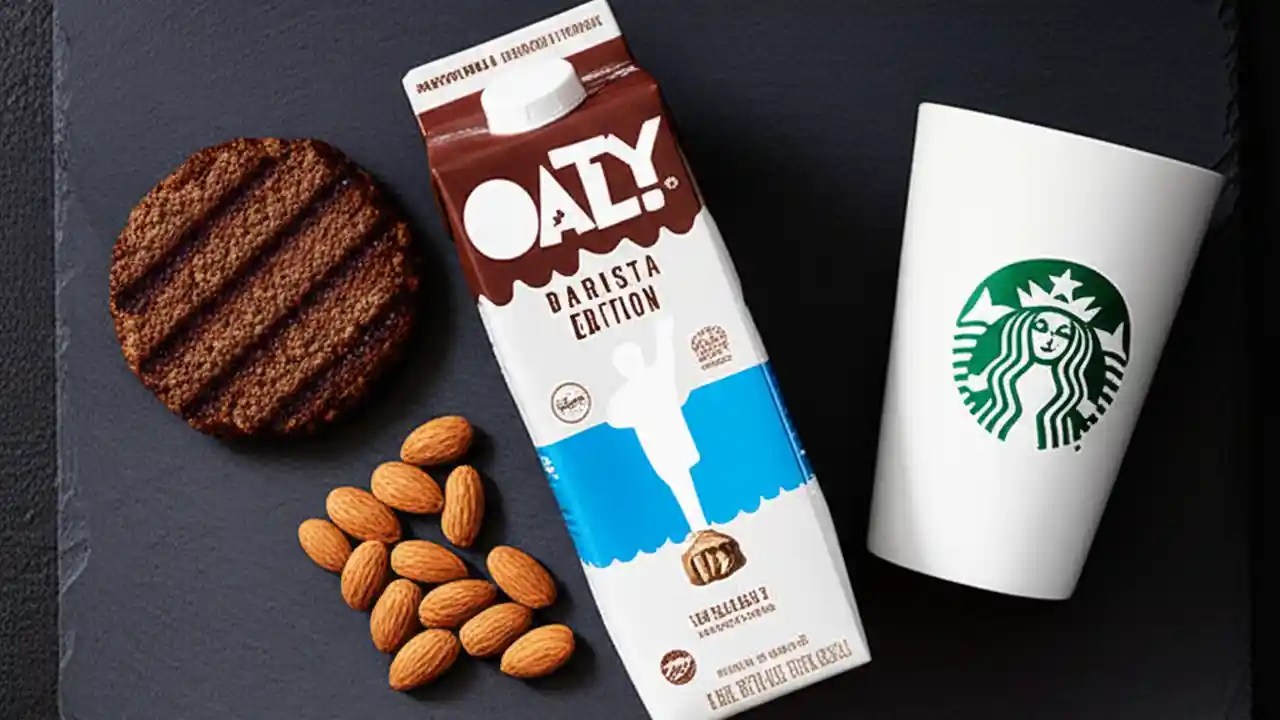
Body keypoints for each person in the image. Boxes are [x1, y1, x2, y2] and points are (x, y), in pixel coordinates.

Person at [606, 317, 706, 531]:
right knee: (679, 485)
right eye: (624, 361)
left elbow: (666, 354)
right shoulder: (626, 395)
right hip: (658, 447)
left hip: (674, 440)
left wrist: (663, 332)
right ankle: (698, 527)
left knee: (685, 485)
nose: (630, 364)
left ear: (640, 357)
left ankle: (700, 527)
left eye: (631, 358)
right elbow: (613, 418)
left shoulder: (657, 375)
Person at [960, 308, 1102, 450]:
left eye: (1062, 333)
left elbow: (1088, 414)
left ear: (1074, 344)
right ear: (1024, 330)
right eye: (1041, 328)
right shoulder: (999, 371)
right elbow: (972, 385)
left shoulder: (1072, 390)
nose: (1050, 339)